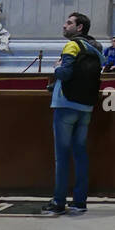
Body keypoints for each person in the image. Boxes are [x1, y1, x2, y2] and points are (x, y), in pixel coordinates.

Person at [39, 12, 103, 217]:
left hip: (66, 104)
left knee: (62, 156)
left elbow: (65, 73)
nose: (64, 25)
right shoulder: (95, 48)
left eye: (69, 23)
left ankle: (58, 201)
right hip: (86, 106)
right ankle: (79, 202)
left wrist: (56, 68)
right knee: (80, 154)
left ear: (80, 28)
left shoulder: (72, 46)